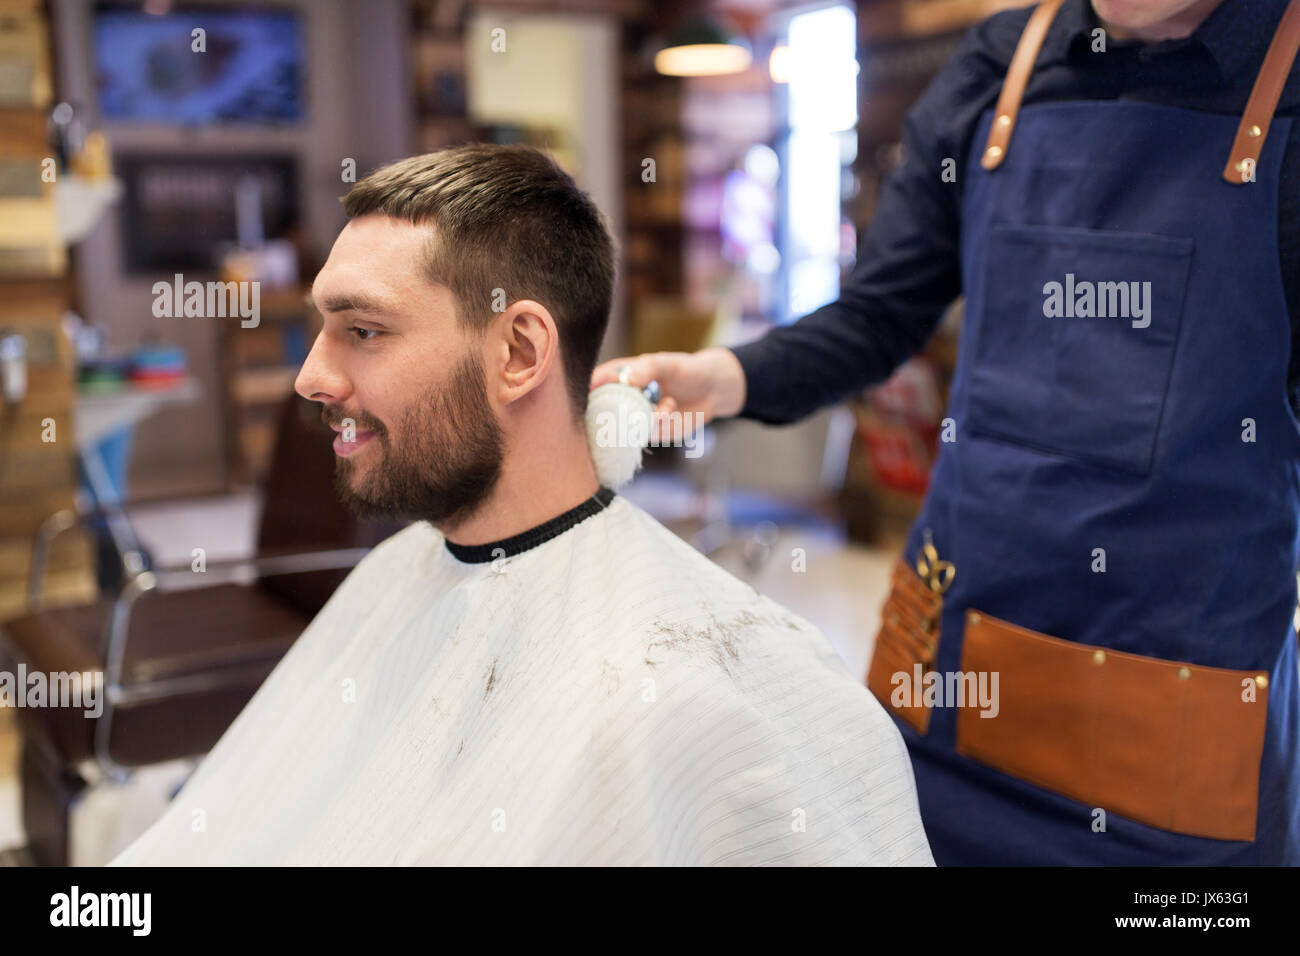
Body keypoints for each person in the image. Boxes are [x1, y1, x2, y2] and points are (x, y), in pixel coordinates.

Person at [594, 0, 1300, 865]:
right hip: (952, 674)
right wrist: (731, 377)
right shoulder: (1000, 65)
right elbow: (882, 313)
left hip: (1179, 716)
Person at [108, 144, 933, 866]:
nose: (311, 379)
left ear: (519, 352)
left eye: (362, 331)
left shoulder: (706, 690)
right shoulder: (405, 569)